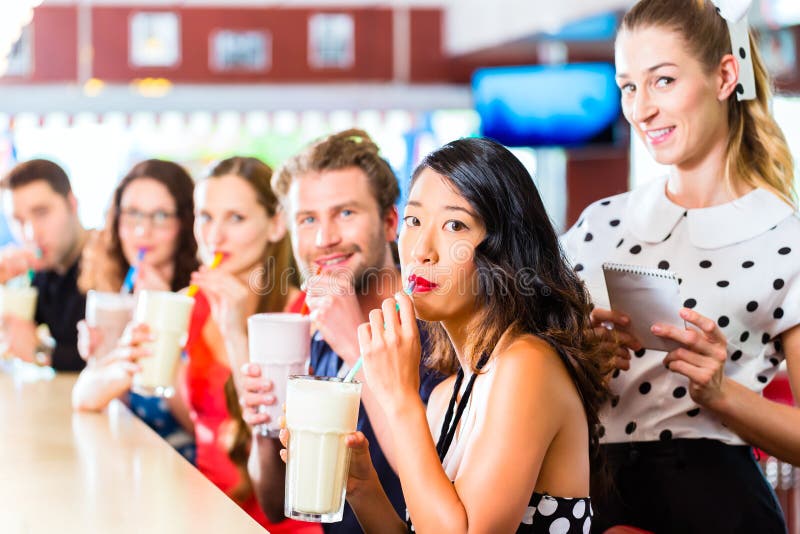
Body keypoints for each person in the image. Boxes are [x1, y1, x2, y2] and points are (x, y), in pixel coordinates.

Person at [277, 137, 611, 533]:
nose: (421, 249)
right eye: (414, 221)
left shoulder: (527, 365)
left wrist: (400, 399)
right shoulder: (445, 396)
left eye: (455, 225)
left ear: (505, 249)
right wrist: (363, 488)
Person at [561, 0, 800, 531]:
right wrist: (579, 359)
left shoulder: (787, 239)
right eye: (628, 87)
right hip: (593, 499)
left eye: (662, 81)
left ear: (724, 76)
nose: (641, 108)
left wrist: (721, 392)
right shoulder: (597, 227)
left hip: (718, 506)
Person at [240, 129, 444, 533]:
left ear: (390, 222)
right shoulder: (312, 337)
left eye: (345, 213)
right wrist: (263, 428)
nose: (324, 238)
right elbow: (277, 504)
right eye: (308, 219)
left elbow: (438, 492)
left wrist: (355, 344)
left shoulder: (439, 328)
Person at [147, 155, 314, 533]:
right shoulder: (191, 307)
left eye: (235, 218)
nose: (214, 236)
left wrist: (236, 333)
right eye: (205, 217)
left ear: (275, 225)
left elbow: (277, 442)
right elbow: (201, 420)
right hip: (204, 512)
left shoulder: (304, 316)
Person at [71, 159, 198, 461]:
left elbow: (205, 429)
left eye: (161, 216)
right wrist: (101, 358)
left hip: (187, 474)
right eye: (132, 214)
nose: (143, 230)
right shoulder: (113, 292)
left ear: (185, 222)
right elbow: (86, 399)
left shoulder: (201, 296)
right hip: (128, 462)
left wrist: (163, 310)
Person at [0, 159, 89, 371]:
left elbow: (105, 356)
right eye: (18, 220)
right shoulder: (42, 273)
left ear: (72, 204)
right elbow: (15, 334)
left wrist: (42, 352)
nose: (31, 233)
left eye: (41, 213)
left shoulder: (109, 262)